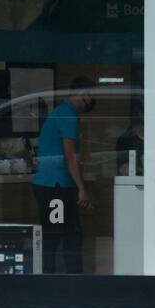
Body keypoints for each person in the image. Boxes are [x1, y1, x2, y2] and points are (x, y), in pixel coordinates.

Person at [31, 77, 96, 274]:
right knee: (59, 235)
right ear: (84, 94)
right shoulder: (68, 116)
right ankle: (58, 282)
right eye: (92, 95)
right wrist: (83, 190)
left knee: (66, 233)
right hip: (56, 189)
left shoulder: (63, 112)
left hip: (57, 187)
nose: (93, 100)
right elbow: (70, 156)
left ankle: (65, 280)